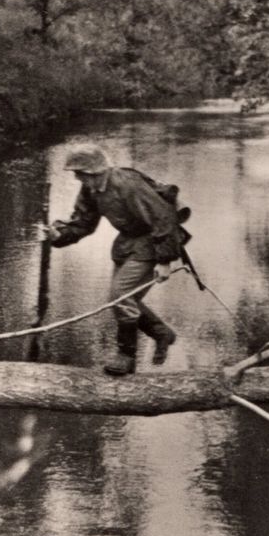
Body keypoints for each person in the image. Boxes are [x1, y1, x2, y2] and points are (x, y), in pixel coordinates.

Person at [43, 144, 181, 376]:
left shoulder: (127, 184)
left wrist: (165, 260)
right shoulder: (91, 189)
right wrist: (59, 235)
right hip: (127, 244)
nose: (77, 178)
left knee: (120, 296)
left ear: (94, 171)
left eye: (80, 173)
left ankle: (126, 357)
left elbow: (163, 216)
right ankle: (160, 333)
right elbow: (84, 223)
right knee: (124, 298)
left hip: (150, 243)